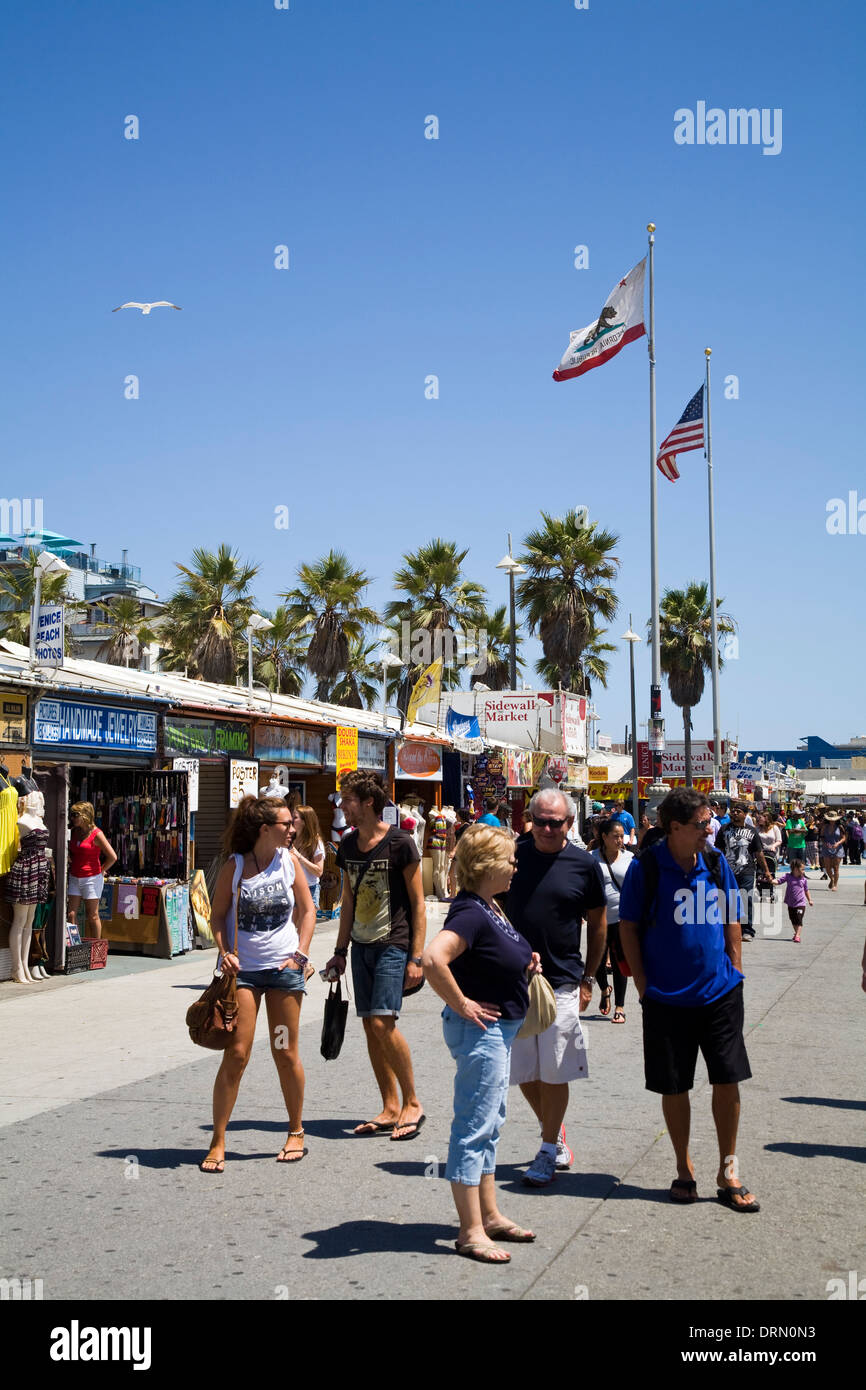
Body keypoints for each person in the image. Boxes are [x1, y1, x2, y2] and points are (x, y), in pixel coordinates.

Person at [618, 788, 759, 1212]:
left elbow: (734, 914)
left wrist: (734, 969)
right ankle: (684, 1168)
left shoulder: (715, 862)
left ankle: (728, 1169)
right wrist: (642, 984)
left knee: (727, 1078)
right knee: (674, 1084)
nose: (708, 830)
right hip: (666, 999)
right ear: (674, 828)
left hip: (719, 993)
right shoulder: (647, 868)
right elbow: (628, 927)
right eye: (701, 824)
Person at [423, 824, 542, 1263]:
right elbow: (433, 958)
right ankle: (470, 1230)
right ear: (488, 865)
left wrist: (523, 966)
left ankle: (489, 1215)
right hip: (482, 1033)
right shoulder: (471, 911)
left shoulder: (490, 906)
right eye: (510, 859)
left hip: (499, 1032)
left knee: (490, 1123)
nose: (515, 865)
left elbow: (490, 955)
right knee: (474, 1127)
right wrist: (462, 1003)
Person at [202, 796, 317, 1173]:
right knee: (236, 1053)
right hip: (245, 974)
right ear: (265, 828)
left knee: (284, 1050)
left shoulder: (288, 862)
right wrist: (224, 951)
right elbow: (217, 916)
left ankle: (296, 1130)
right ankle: (218, 1139)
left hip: (283, 973)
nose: (293, 829)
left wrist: (300, 954)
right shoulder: (234, 867)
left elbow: (308, 910)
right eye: (286, 824)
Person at [503, 788, 607, 1185]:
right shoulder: (513, 857)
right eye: (540, 820)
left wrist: (590, 978)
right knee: (526, 1071)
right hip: (514, 980)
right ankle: (555, 1132)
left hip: (562, 980)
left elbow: (598, 924)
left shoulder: (583, 865)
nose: (547, 828)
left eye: (556, 822)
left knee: (555, 1070)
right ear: (529, 818)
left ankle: (547, 1148)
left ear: (569, 823)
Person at [325, 770, 427, 1140]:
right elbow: (347, 903)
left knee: (383, 1022)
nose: (342, 807)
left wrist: (417, 957)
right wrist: (339, 951)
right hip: (361, 947)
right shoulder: (349, 847)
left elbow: (418, 904)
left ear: (368, 802)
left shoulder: (401, 843)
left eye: (347, 800)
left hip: (393, 945)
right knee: (370, 1025)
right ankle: (390, 1106)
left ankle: (412, 1102)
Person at [591, 817, 632, 1023]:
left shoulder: (630, 858)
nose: (619, 840)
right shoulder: (591, 858)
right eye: (615, 836)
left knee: (618, 963)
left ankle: (620, 1006)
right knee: (597, 961)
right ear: (604, 837)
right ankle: (604, 988)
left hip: (622, 919)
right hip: (598, 918)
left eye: (621, 836)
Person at [715, 802, 772, 941]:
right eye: (733, 811)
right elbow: (718, 851)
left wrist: (766, 871)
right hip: (727, 871)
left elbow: (759, 853)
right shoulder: (723, 829)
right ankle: (727, 928)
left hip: (746, 870)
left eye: (738, 811)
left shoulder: (752, 832)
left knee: (746, 899)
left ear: (745, 814)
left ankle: (747, 930)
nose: (735, 813)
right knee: (727, 899)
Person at [67, 802, 117, 941]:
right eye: (72, 815)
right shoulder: (74, 831)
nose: (72, 818)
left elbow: (112, 857)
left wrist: (101, 870)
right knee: (71, 914)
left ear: (85, 815)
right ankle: (75, 945)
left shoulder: (96, 834)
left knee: (92, 914)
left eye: (75, 815)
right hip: (75, 876)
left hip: (91, 878)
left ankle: (96, 947)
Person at [291, 804, 325, 909]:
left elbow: (319, 871)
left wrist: (299, 857)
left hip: (310, 889)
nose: (291, 820)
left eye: (295, 817)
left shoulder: (315, 842)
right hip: (291, 889)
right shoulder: (290, 839)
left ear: (304, 822)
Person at [775, 859, 813, 943]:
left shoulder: (803, 880)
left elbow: (806, 890)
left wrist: (810, 900)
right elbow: (778, 881)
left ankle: (798, 935)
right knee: (793, 919)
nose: (803, 871)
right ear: (795, 869)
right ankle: (796, 933)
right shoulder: (788, 877)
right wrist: (771, 881)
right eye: (802, 869)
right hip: (790, 903)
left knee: (799, 919)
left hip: (801, 903)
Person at [819, 811, 845, 891]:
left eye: (833, 819)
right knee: (827, 867)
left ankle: (835, 885)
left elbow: (844, 838)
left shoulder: (840, 827)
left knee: (836, 867)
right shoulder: (825, 826)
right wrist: (825, 843)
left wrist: (838, 843)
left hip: (838, 849)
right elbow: (822, 837)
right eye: (830, 819)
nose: (832, 820)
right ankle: (832, 879)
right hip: (827, 848)